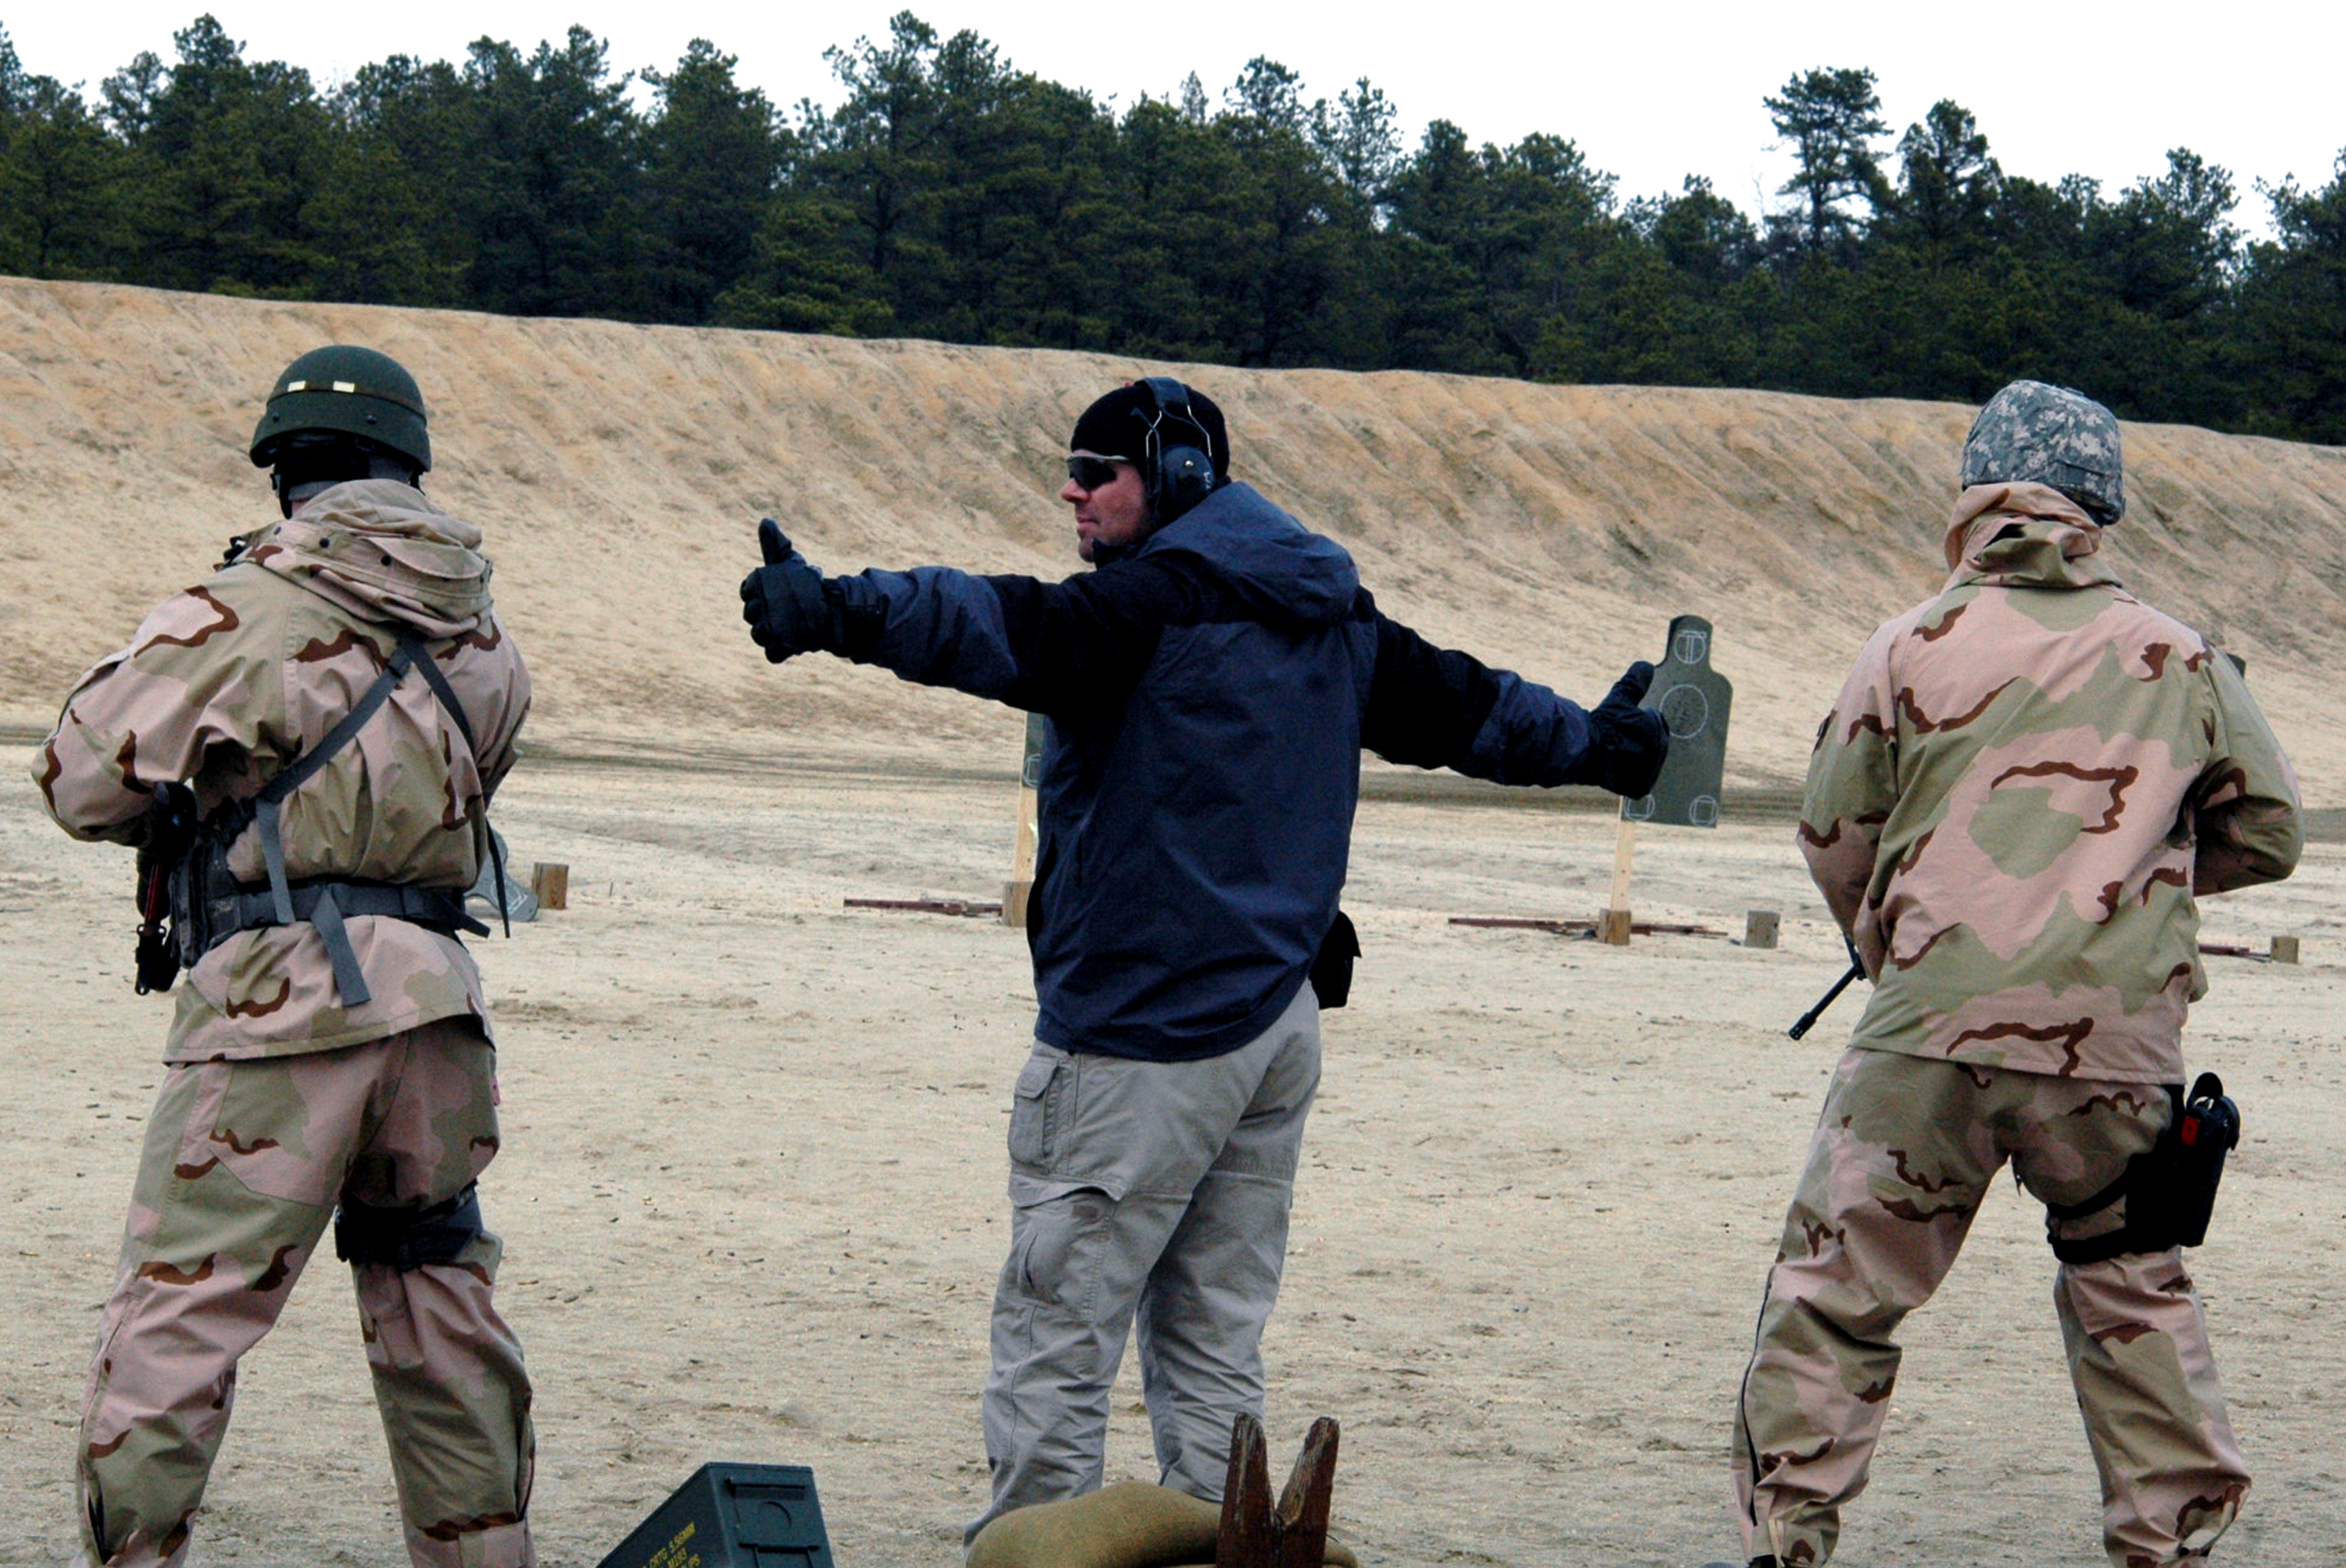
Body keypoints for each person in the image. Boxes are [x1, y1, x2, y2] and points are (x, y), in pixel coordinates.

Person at [739, 376, 1672, 1544]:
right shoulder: (1330, 610)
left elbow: (1000, 625)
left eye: (1097, 474)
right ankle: (1228, 1551)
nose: (1070, 494)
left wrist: (835, 609)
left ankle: (1041, 1563)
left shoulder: (1144, 611)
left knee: (1055, 1333)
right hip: (1274, 1027)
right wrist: (1600, 743)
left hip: (1140, 1036)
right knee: (1211, 1340)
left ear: (1178, 475)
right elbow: (1470, 709)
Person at [1707, 382, 2300, 1568]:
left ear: (1974, 494)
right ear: (2101, 505)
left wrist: (1891, 941)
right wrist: (2131, 888)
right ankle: (2167, 1542)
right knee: (2131, 1284)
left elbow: (1833, 830)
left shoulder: (1907, 642)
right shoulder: (2175, 654)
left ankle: (1787, 1535)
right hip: (2112, 1042)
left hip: (1924, 1029)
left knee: (1839, 1289)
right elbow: (2269, 830)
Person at [35, 346, 538, 1568]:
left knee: (181, 1316)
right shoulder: (481, 630)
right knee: (438, 1304)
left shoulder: (247, 605)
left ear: (283, 473)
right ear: (408, 462)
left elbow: (78, 780)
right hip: (434, 1008)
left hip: (278, 1010)